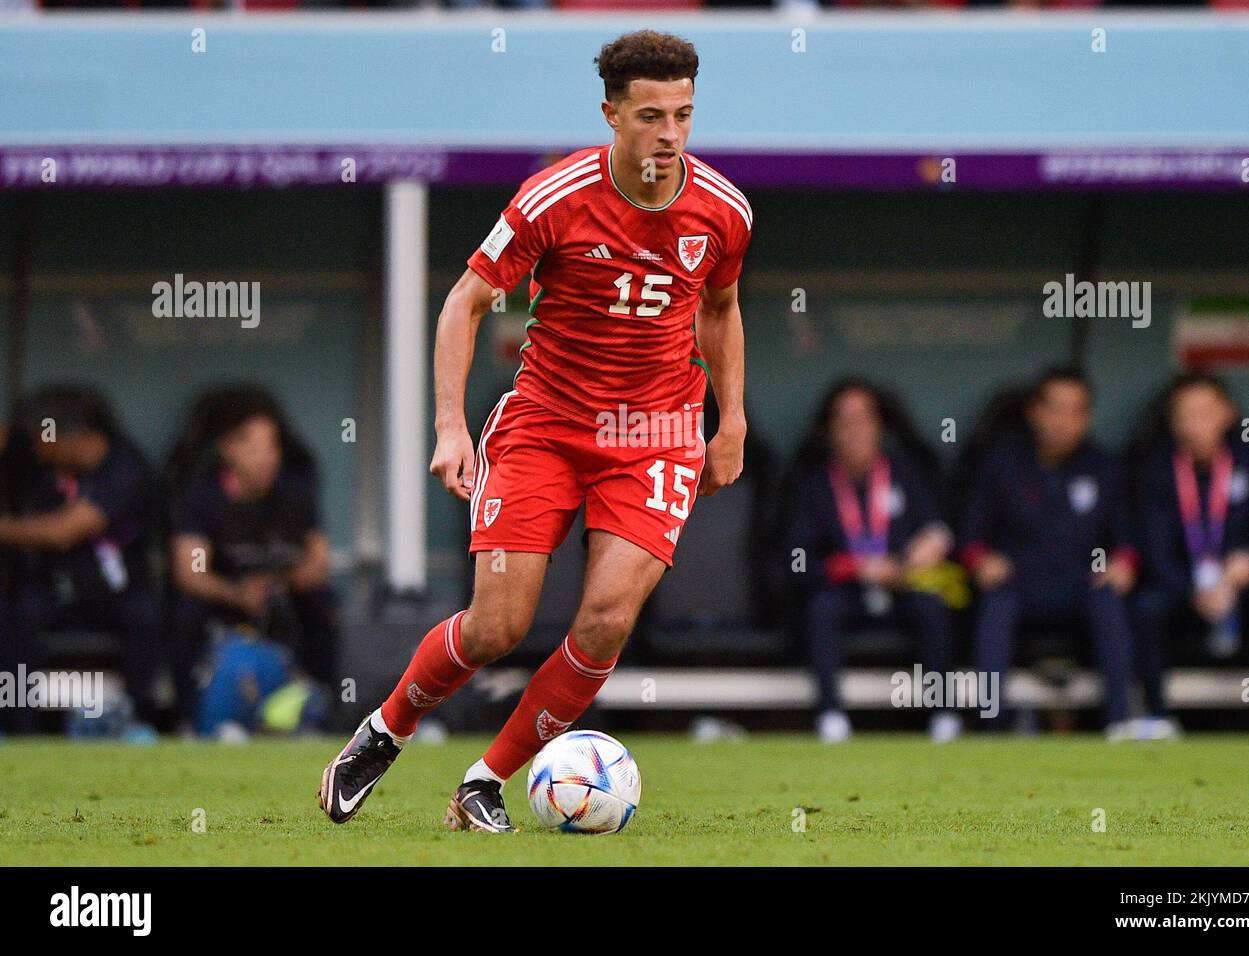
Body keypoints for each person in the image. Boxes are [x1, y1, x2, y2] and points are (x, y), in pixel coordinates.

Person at [319, 30, 752, 832]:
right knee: (498, 627)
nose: (670, 134)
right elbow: (465, 301)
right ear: (611, 115)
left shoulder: (723, 211)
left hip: (657, 431)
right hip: (546, 425)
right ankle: (384, 732)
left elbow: (720, 312)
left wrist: (732, 422)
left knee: (606, 619)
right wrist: (450, 427)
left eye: (684, 115)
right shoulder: (556, 196)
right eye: (651, 115)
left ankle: (484, 781)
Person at [960, 368, 1137, 735]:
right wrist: (981, 560)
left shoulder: (1104, 467)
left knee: (1110, 602)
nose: (1064, 421)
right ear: (1034, 412)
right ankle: (991, 724)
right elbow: (970, 535)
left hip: (1082, 580)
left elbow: (1128, 540)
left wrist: (1124, 564)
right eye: (1055, 409)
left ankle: (1119, 722)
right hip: (1017, 579)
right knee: (996, 604)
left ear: (1087, 417)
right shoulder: (1003, 464)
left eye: (1075, 411)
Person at [786, 380, 959, 743]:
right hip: (845, 591)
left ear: (880, 425)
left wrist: (931, 543)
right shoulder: (813, 485)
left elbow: (940, 529)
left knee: (933, 608)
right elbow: (797, 561)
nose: (855, 430)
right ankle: (831, 715)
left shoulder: (906, 472)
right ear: (829, 430)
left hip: (903, 585)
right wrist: (859, 567)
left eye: (864, 419)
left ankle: (942, 714)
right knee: (821, 610)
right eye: (845, 421)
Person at [1132, 373, 1249, 735]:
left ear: (1228, 413)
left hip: (1243, 587)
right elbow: (1154, 548)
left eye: (1205, 412)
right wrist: (1193, 589)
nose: (1195, 423)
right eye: (1185, 414)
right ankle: (1158, 716)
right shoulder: (1158, 470)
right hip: (1184, 588)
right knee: (1147, 607)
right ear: (1172, 420)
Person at [169, 387, 337, 725]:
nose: (267, 457)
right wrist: (237, 593)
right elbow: (189, 571)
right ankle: (189, 718)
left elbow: (318, 561)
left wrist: (283, 583)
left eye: (272, 446)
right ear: (227, 448)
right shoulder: (203, 494)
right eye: (254, 447)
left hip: (283, 593)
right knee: (186, 611)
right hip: (225, 597)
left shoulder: (293, 490)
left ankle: (327, 712)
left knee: (323, 605)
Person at [0, 386, 162, 734]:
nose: (39, 449)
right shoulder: (39, 460)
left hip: (114, 590)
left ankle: (133, 719)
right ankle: (20, 727)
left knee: (147, 615)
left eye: (46, 438)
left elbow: (61, 533)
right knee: (16, 612)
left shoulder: (124, 468)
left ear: (80, 436)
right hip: (53, 589)